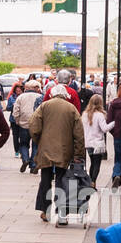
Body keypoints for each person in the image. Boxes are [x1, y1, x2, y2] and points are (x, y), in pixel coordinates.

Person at [30, 84, 84, 226]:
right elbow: (79, 134)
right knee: (62, 181)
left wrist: (39, 141)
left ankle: (45, 210)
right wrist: (79, 153)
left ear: (53, 94)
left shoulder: (44, 106)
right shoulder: (71, 109)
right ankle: (62, 213)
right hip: (65, 150)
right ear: (65, 95)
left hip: (46, 149)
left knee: (45, 179)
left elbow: (34, 126)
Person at [82, 93, 115, 185]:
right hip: (97, 143)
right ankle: (93, 182)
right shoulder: (100, 115)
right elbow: (105, 129)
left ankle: (90, 182)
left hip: (88, 143)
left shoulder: (84, 114)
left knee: (92, 163)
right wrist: (114, 123)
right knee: (97, 164)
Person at [14, 79, 41, 173]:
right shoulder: (40, 97)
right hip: (36, 125)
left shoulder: (21, 97)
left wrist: (17, 120)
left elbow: (16, 110)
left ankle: (25, 159)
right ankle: (33, 165)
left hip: (23, 124)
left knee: (23, 144)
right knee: (35, 145)